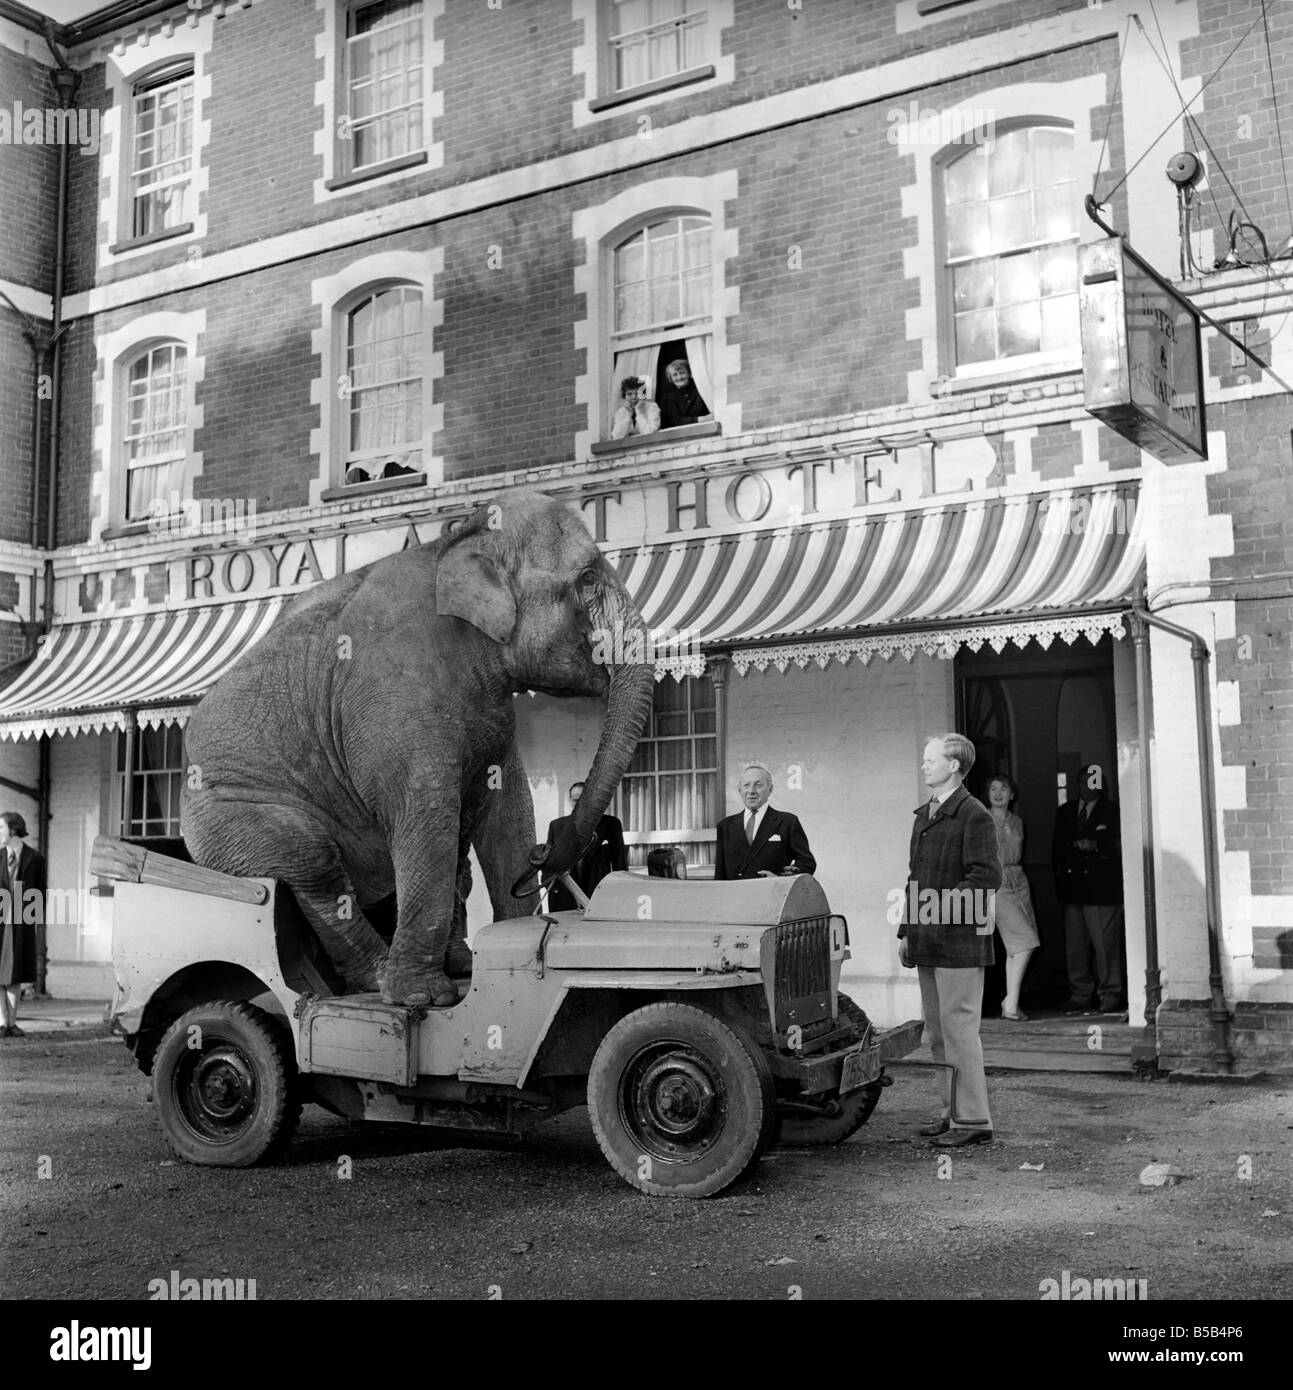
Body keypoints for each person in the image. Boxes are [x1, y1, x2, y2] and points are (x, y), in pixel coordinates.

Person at [897, 734, 1002, 1147]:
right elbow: (914, 879)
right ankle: (950, 1110)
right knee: (939, 1034)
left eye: (930, 760)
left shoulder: (974, 814)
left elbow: (985, 877)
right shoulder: (925, 814)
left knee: (960, 1032)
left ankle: (973, 1121)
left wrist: (933, 916)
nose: (923, 766)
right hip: (929, 940)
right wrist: (908, 931)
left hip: (959, 944)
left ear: (954, 766)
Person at [1052, 763, 1125, 1014]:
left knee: (1105, 945)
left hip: (1101, 890)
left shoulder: (1113, 811)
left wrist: (1097, 845)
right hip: (1073, 890)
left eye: (1093, 781)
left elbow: (1121, 846)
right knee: (1075, 947)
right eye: (1084, 781)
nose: (1088, 786)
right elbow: (1056, 852)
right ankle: (1080, 993)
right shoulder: (1066, 812)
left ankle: (1110, 993)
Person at [985, 774, 1040, 1021]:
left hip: (1019, 880)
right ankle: (1011, 1003)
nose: (998, 793)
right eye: (993, 789)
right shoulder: (980, 819)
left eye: (1003, 789)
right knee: (1026, 941)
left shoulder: (1017, 822)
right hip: (996, 883)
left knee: (1015, 947)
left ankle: (1011, 1003)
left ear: (1012, 794)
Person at [714, 764, 816, 880]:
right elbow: (720, 872)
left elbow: (807, 862)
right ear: (740, 790)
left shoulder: (787, 821)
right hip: (736, 895)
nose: (751, 791)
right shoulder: (725, 826)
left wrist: (780, 878)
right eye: (746, 785)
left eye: (758, 785)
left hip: (772, 893)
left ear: (770, 789)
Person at [543, 781, 627, 911]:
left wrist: (620, 894)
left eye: (582, 800)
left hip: (599, 895)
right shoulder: (557, 826)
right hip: (565, 898)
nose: (578, 805)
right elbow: (548, 864)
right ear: (570, 801)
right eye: (575, 800)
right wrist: (553, 888)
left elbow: (620, 863)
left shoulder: (611, 825)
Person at [0, 812, 44, 1038]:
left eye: (1, 828)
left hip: (20, 924)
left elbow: (40, 893)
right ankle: (1, 1022)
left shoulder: (35, 859)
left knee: (14, 974)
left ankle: (12, 1023)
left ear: (13, 830)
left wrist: (35, 922)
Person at [656, 357, 709, 428]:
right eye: (675, 375)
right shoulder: (668, 397)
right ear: (670, 378)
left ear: (689, 373)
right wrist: (701, 419)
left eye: (682, 373)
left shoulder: (700, 388)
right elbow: (678, 420)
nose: (679, 377)